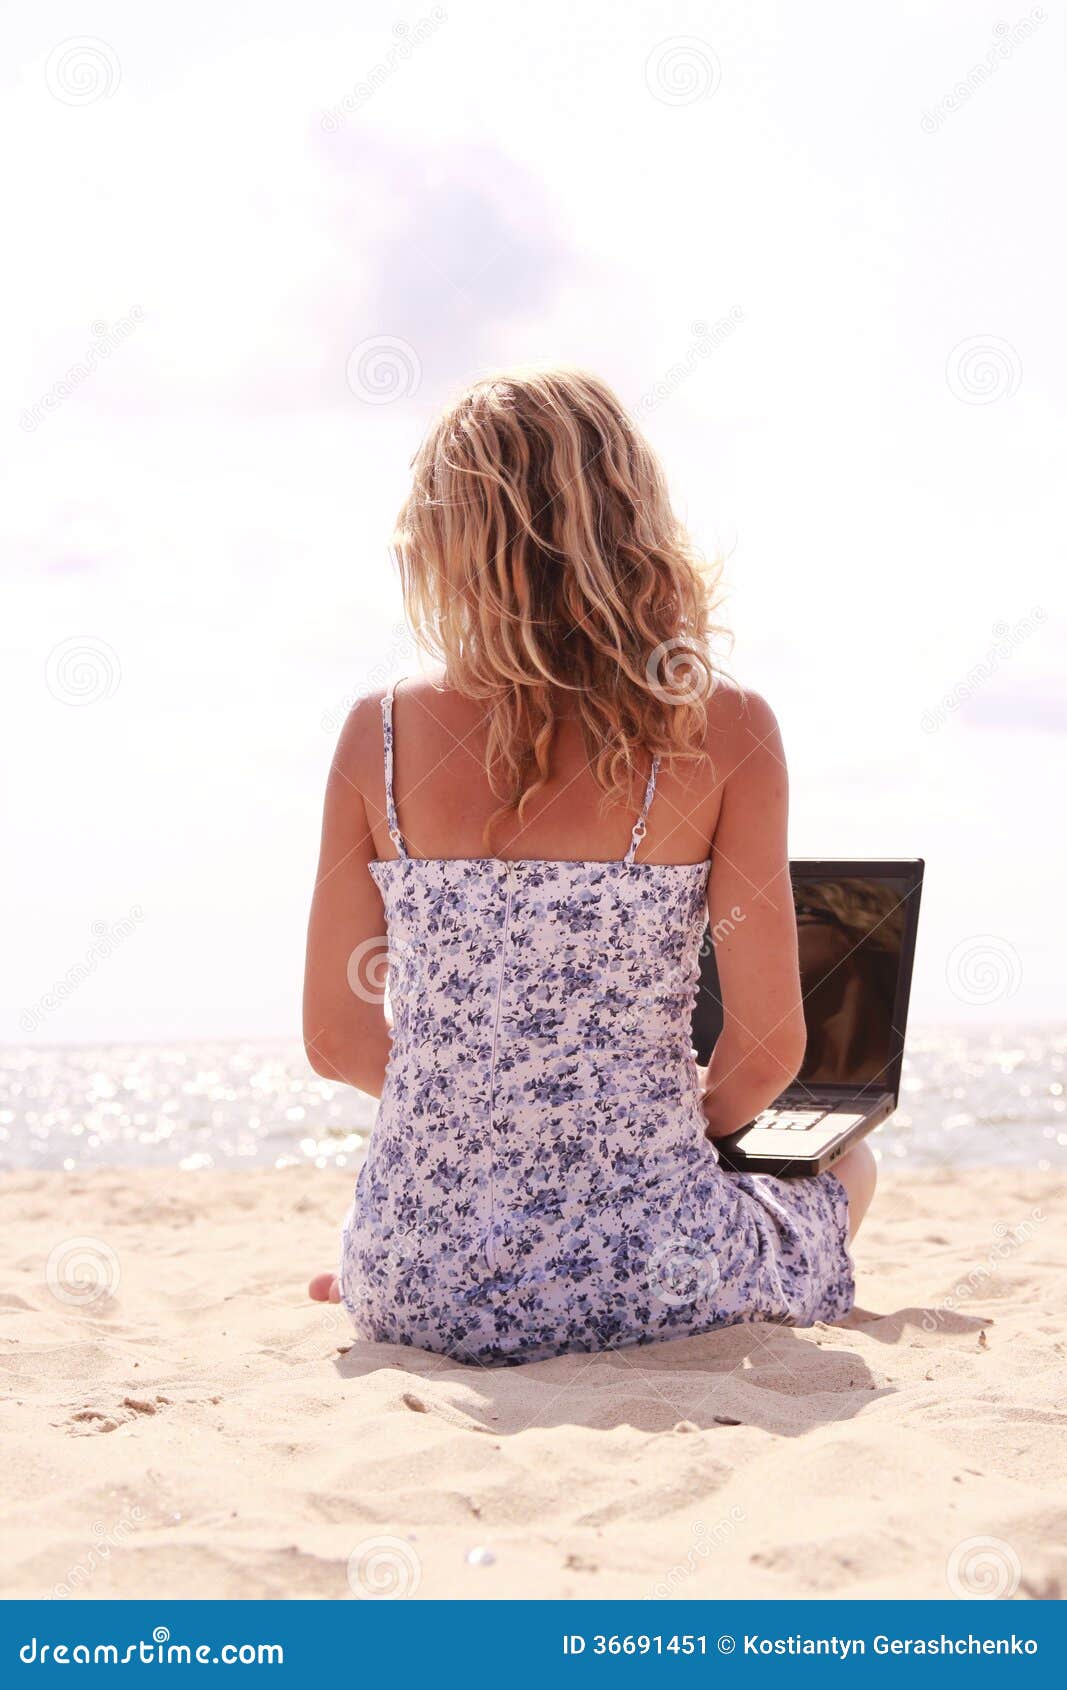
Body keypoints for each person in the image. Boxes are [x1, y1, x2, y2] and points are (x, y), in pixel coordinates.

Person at [303, 367, 875, 1365]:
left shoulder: (377, 735)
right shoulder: (722, 727)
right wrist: (652, 1124)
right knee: (847, 1161)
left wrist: (489, 1117)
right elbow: (767, 1050)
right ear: (628, 520)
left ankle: (374, 1258)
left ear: (445, 539)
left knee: (411, 1219)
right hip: (650, 1273)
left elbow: (335, 1038)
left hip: (413, 1280)